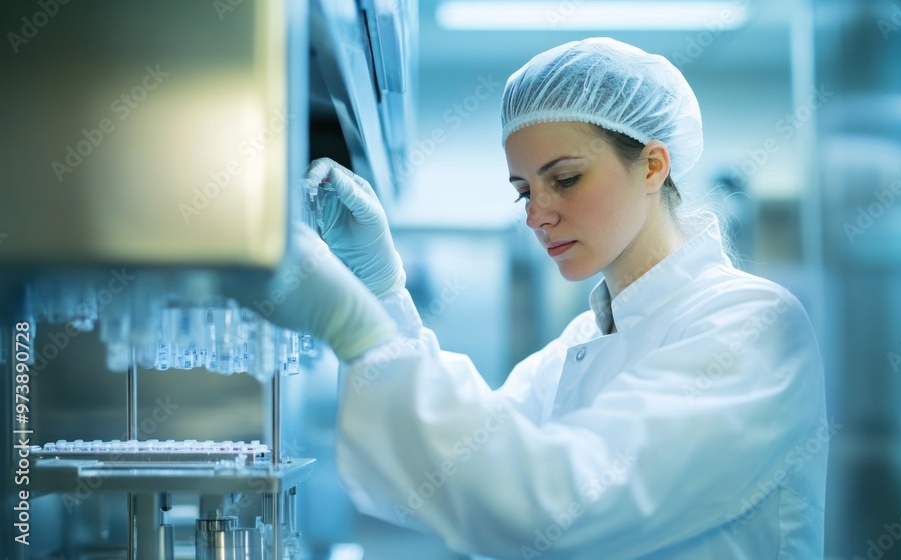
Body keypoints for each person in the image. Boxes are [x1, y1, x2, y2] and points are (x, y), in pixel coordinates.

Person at [244, 38, 827, 559]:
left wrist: (357, 327)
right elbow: (457, 482)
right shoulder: (578, 348)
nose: (536, 214)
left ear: (652, 165)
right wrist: (381, 295)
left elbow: (556, 509)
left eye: (565, 178)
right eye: (522, 190)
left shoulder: (752, 325)